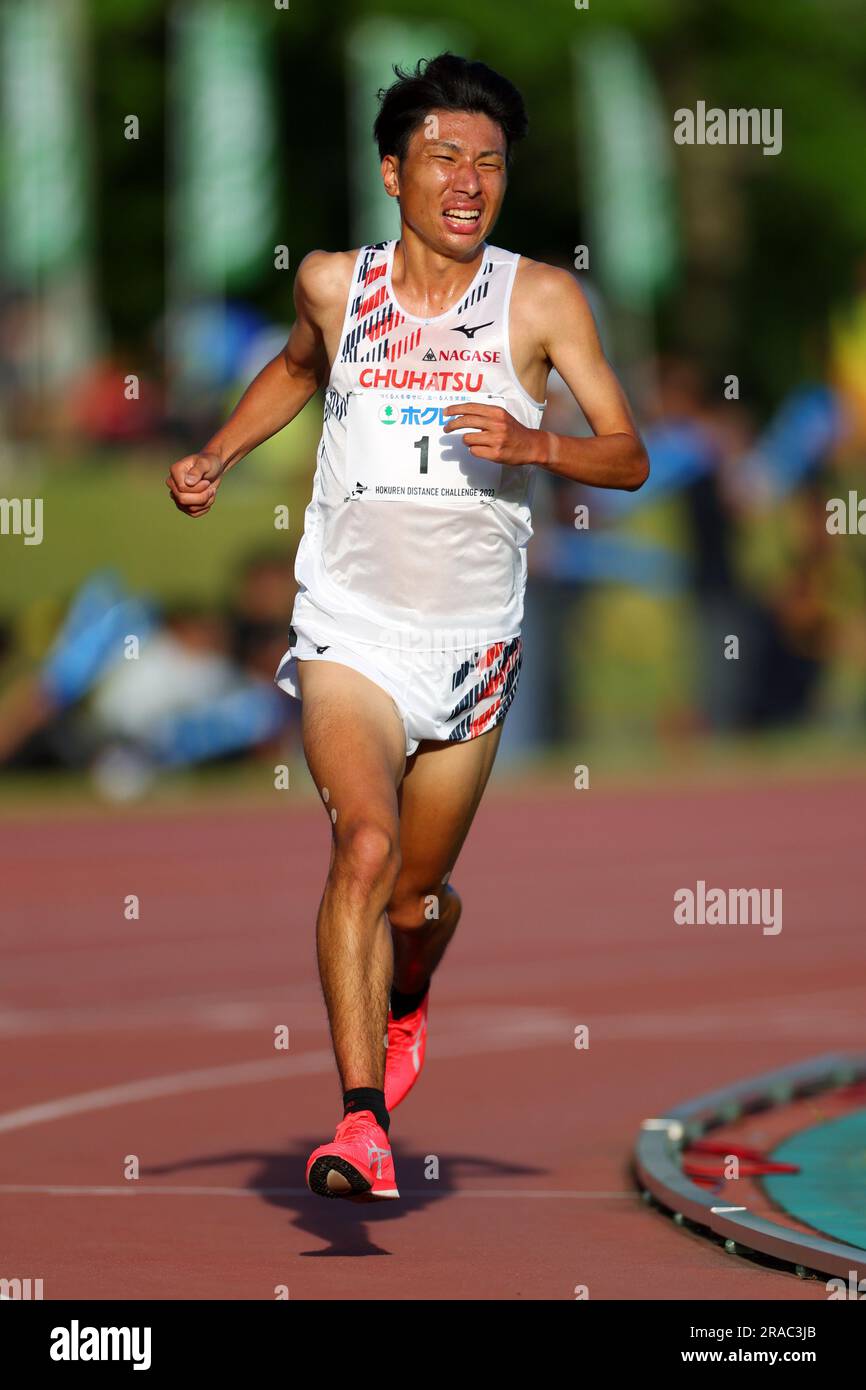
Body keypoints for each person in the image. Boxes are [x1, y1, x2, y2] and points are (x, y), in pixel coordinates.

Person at [166, 53, 648, 1201]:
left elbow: (625, 453)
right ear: (394, 172)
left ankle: (413, 977)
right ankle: (360, 1120)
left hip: (472, 645)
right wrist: (218, 454)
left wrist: (535, 443)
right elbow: (293, 370)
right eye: (444, 155)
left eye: (488, 160)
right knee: (362, 850)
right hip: (350, 629)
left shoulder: (538, 300)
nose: (468, 179)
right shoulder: (336, 285)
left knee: (412, 901)